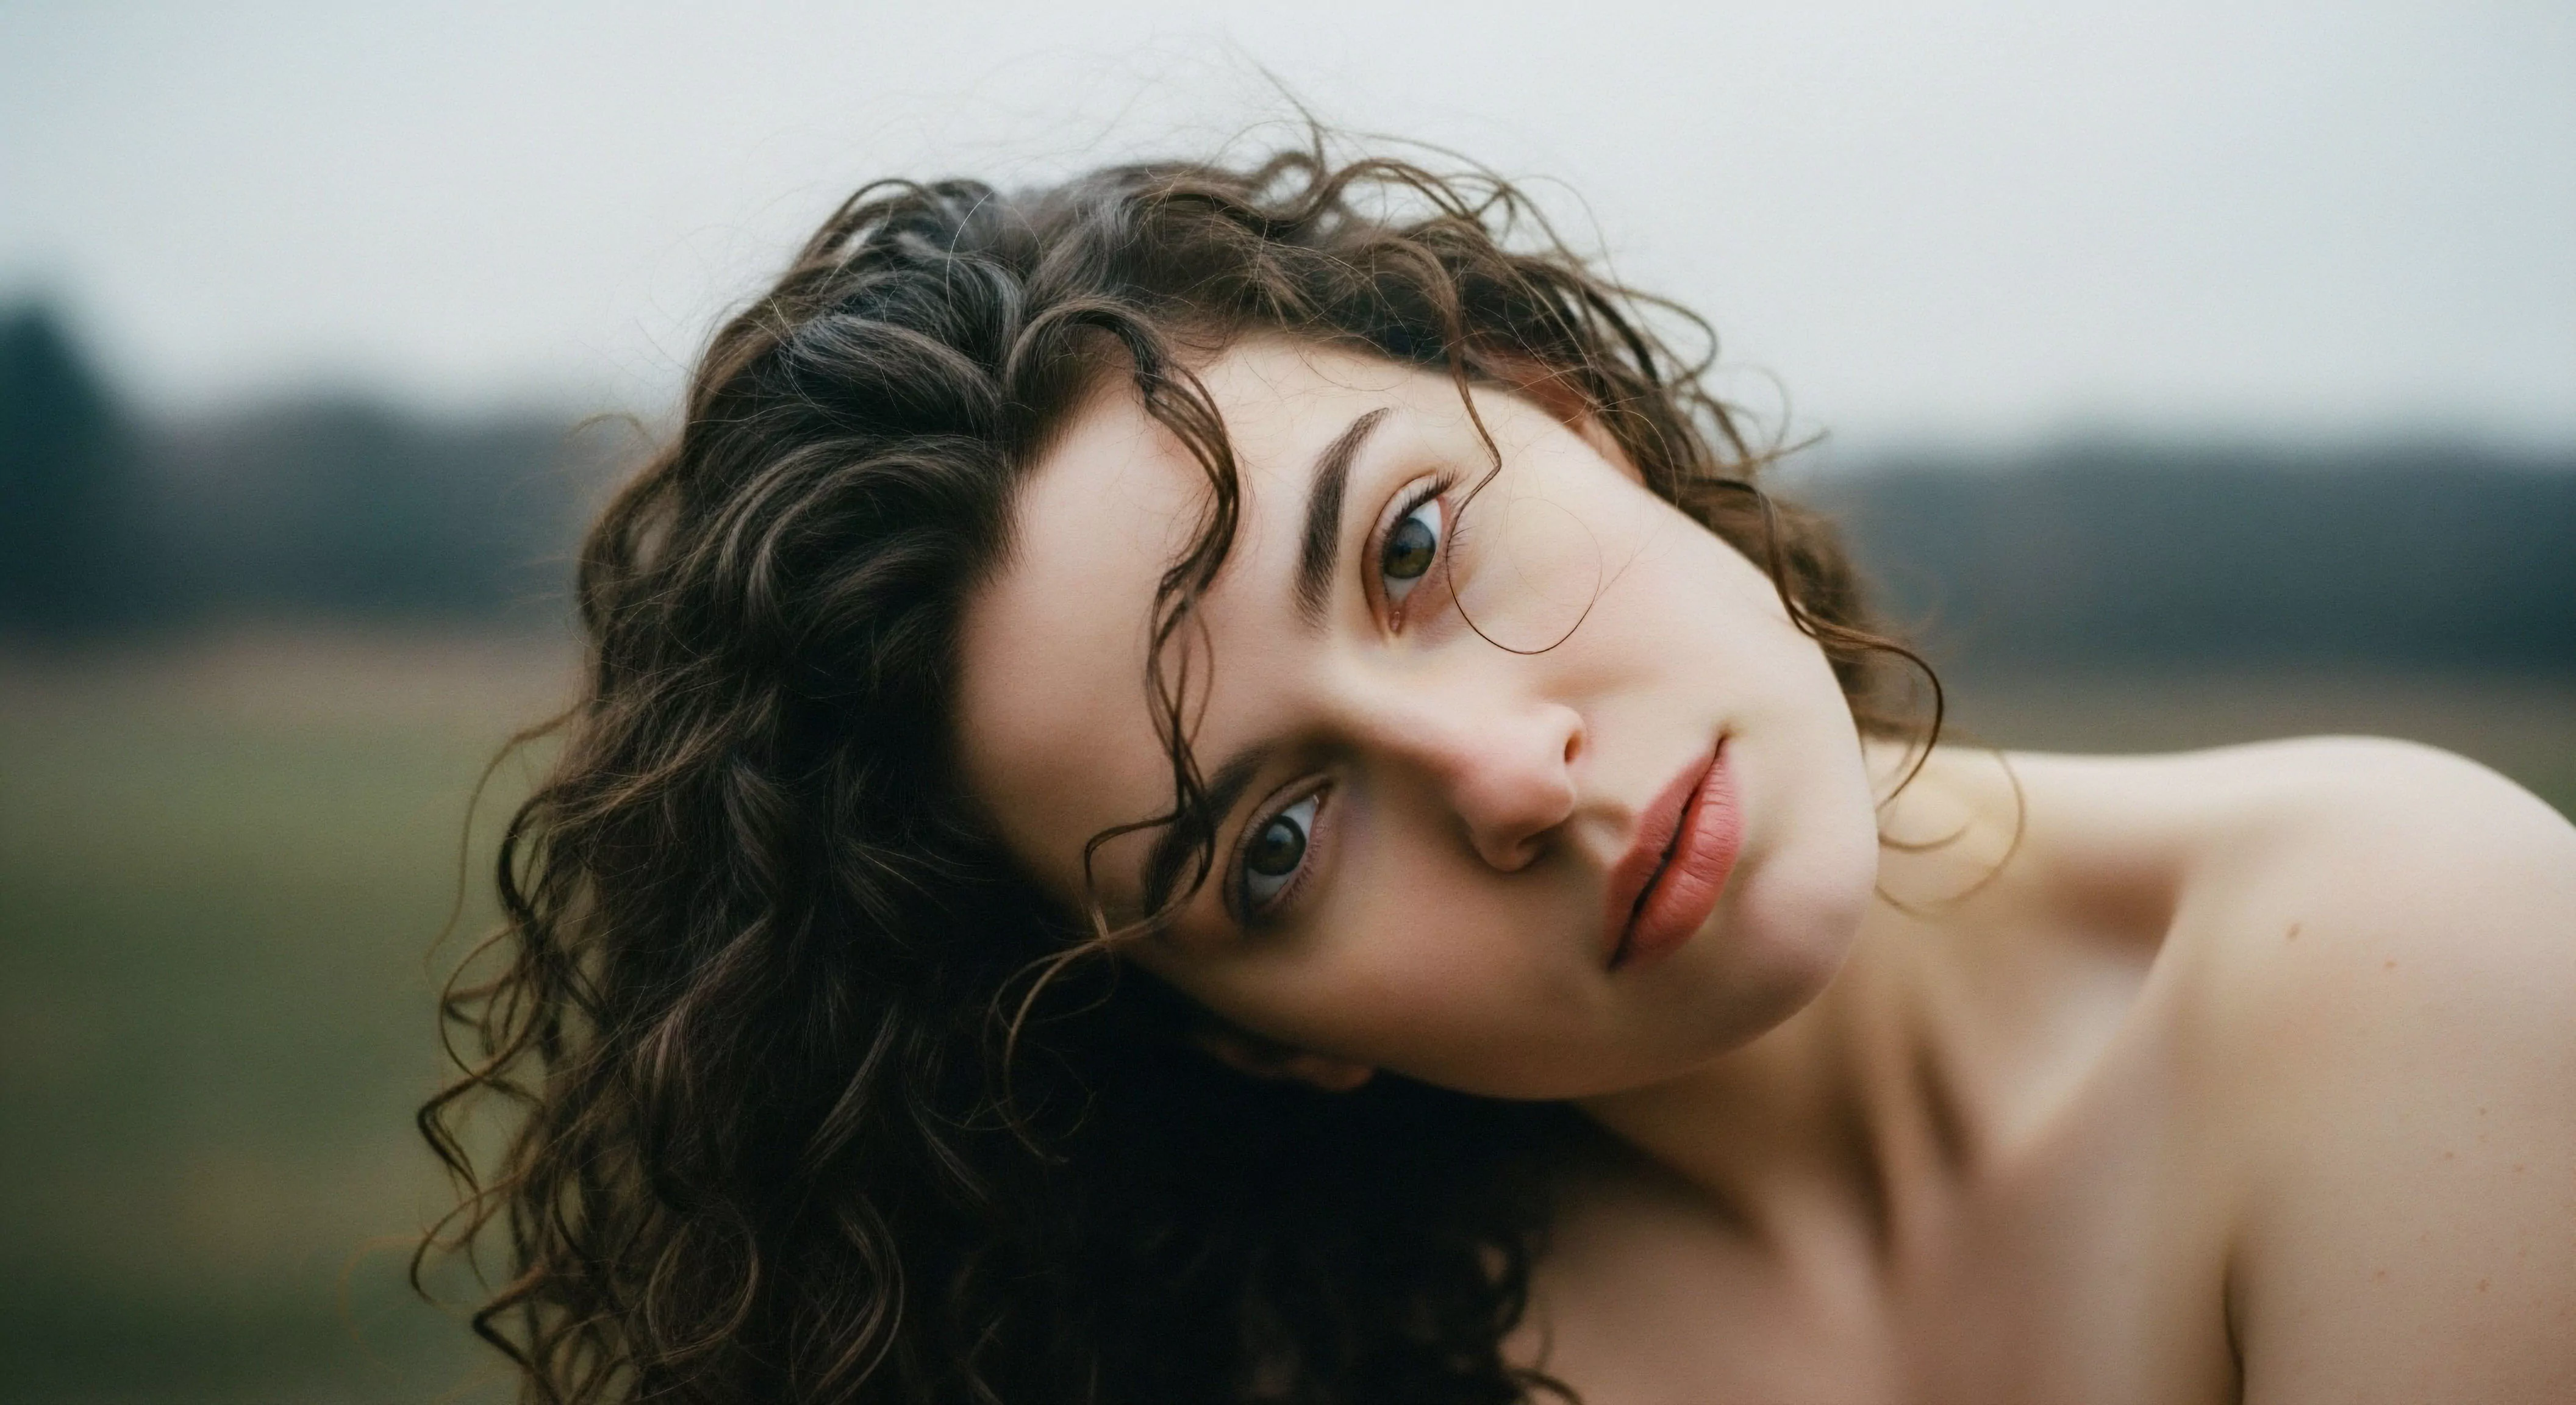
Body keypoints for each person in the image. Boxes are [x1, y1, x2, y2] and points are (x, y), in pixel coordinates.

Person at [418, 141, 2576, 1404]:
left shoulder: (2412, 971)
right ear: (1255, 1047)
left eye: (1413, 546)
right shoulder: (1317, 1361)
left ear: (1563, 411)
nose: (1508, 779)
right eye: (1274, 842)